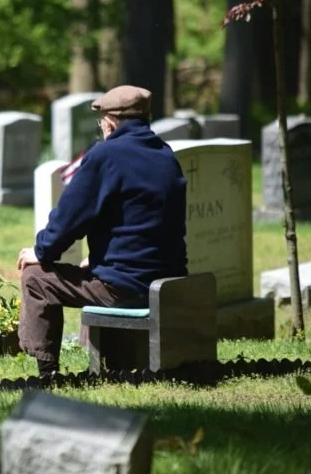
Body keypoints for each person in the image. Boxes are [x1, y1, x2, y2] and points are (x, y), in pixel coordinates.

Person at [16, 85, 188, 377]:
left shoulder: (106, 155)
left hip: (124, 286)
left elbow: (68, 220)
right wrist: (100, 260)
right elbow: (141, 223)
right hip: (166, 281)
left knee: (36, 278)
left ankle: (48, 372)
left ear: (109, 123)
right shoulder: (165, 154)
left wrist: (41, 251)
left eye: (101, 123)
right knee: (91, 274)